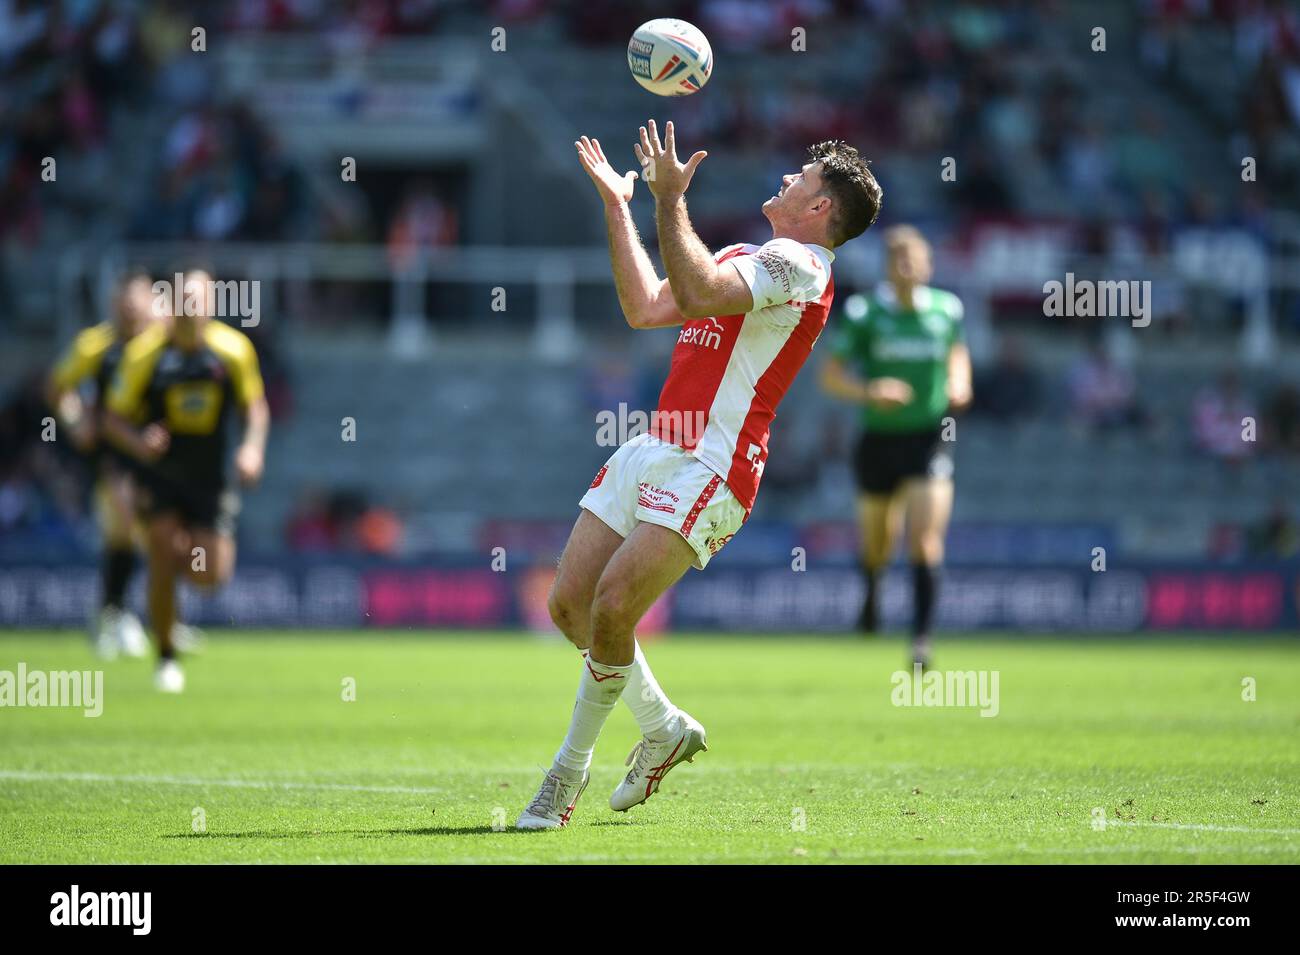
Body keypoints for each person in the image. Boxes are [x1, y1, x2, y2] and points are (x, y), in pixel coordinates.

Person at [516, 122, 882, 829]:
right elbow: (647, 305)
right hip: (657, 442)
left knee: (615, 605)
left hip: (714, 463)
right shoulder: (754, 253)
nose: (785, 178)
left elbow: (703, 287)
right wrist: (622, 204)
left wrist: (669, 200)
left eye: (801, 178)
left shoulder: (804, 267)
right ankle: (663, 727)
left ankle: (564, 777)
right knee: (571, 607)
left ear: (819, 210)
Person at [103, 270, 269, 693]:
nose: (192, 311)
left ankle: (173, 573)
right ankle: (165, 657)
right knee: (161, 550)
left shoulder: (232, 351)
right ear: (174, 305)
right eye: (185, 302)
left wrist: (252, 448)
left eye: (200, 303)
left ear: (212, 306)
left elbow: (256, 408)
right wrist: (139, 441)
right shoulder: (144, 355)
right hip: (160, 476)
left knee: (210, 574)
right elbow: (112, 417)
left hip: (209, 481)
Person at [819, 226, 972, 668]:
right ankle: (872, 589)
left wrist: (961, 382)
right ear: (887, 267)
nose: (906, 266)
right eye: (897, 259)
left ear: (929, 265)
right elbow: (831, 376)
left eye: (914, 258)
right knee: (877, 543)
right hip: (878, 441)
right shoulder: (865, 313)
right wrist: (871, 390)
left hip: (928, 438)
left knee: (924, 542)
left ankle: (921, 640)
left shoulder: (947, 310)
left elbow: (957, 354)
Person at [46, 269, 159, 659]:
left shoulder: (161, 345)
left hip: (158, 455)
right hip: (112, 454)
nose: (131, 307)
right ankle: (119, 615)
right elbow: (57, 387)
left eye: (138, 298)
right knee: (124, 527)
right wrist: (75, 421)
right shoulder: (95, 345)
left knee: (142, 535)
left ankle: (117, 613)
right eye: (125, 300)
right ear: (114, 303)